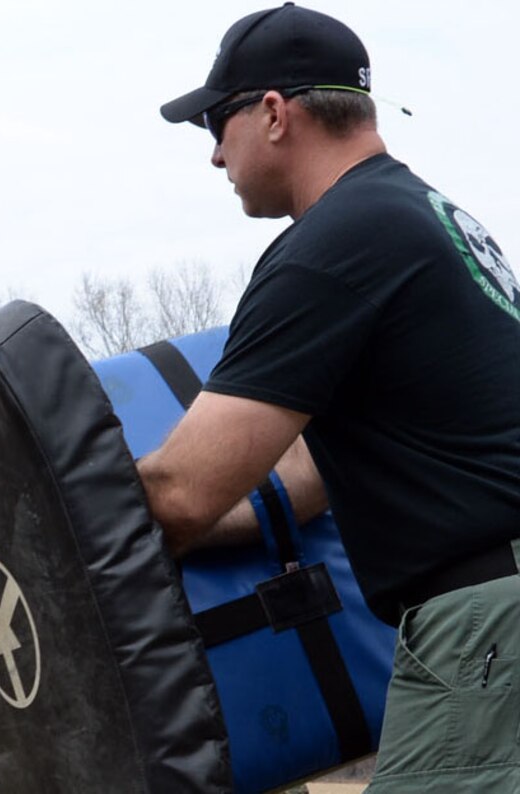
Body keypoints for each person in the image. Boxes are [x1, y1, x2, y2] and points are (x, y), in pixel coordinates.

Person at [143, 3, 520, 790]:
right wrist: (201, 527)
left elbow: (181, 494)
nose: (215, 156)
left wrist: (59, 500)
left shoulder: (332, 243)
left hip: (486, 623)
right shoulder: (425, 216)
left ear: (275, 114)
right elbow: (309, 479)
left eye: (218, 124)